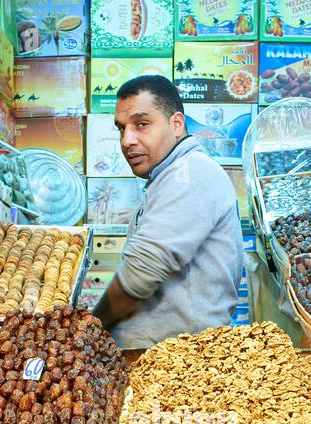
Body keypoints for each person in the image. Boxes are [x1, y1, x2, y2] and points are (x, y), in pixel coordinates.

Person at [93, 75, 244, 349]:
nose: (127, 140)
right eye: (121, 129)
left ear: (176, 124)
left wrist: (90, 329)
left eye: (142, 124)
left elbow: (141, 272)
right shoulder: (166, 177)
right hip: (160, 356)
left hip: (179, 364)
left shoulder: (189, 174)